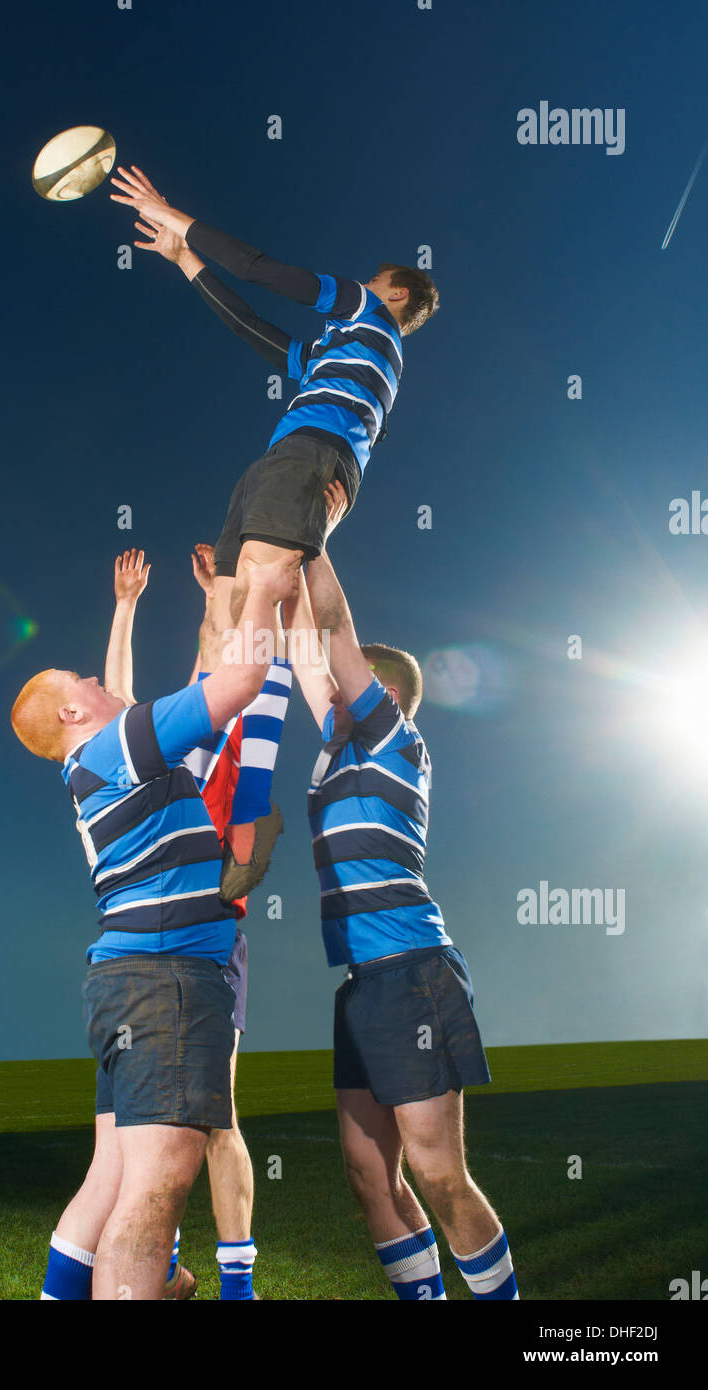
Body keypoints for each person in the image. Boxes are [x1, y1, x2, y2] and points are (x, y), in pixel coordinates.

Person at [109, 163, 439, 887]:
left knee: (267, 590)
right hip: (282, 457)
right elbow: (252, 324)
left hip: (312, 458)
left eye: (373, 277)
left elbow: (264, 271)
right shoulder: (329, 353)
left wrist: (173, 214)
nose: (360, 280)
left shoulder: (370, 316)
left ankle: (248, 817)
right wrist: (185, 260)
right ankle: (199, 798)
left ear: (396, 294)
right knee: (226, 624)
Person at [10, 545, 300, 1300]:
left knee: (109, 1181)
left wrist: (127, 607)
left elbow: (127, 700)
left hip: (126, 983)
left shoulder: (91, 765)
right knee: (153, 1191)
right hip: (166, 983)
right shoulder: (114, 748)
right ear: (75, 712)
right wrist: (261, 591)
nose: (106, 686)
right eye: (89, 684)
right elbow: (237, 680)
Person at [284, 484, 519, 1302]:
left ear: (376, 693)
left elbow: (332, 634)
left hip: (412, 970)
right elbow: (306, 649)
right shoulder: (334, 747)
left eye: (345, 683)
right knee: (366, 1173)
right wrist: (249, 581)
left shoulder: (390, 738)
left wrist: (309, 536)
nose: (329, 688)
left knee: (436, 1172)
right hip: (362, 988)